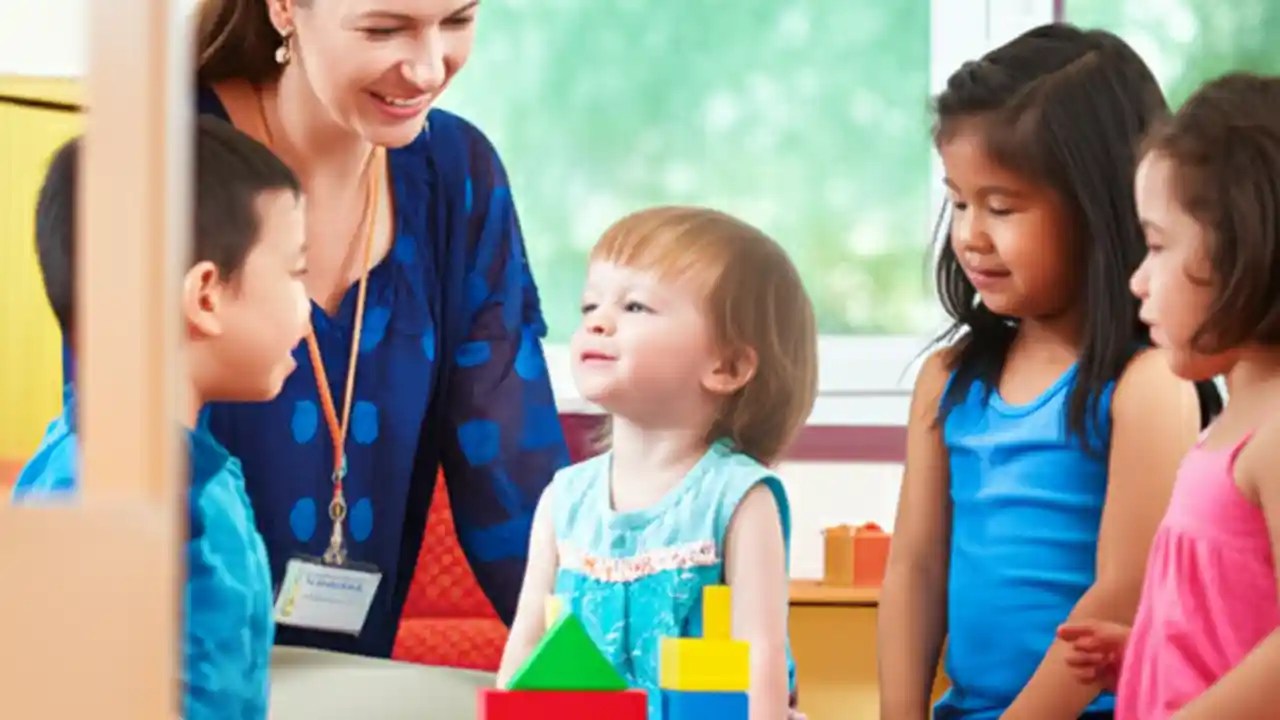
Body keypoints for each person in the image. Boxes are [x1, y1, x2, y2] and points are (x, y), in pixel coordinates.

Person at [186, 0, 570, 657]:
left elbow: (520, 499)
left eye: (457, 20)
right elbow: (120, 479)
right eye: (383, 29)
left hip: (358, 689)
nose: (426, 68)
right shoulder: (160, 164)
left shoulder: (458, 178)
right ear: (283, 8)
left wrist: (645, 670)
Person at [876, 23, 1223, 720]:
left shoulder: (1148, 385)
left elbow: (1121, 591)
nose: (971, 234)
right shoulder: (947, 381)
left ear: (1100, 206)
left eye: (1002, 207)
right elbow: (915, 569)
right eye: (960, 201)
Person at [13, 116, 310, 719]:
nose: (307, 308)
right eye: (295, 272)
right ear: (206, 297)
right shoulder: (132, 492)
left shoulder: (91, 455)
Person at [495, 206, 817, 720]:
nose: (597, 321)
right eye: (590, 305)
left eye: (636, 307)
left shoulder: (738, 498)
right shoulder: (565, 498)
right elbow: (528, 640)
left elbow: (762, 653)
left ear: (727, 365)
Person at [1058, 72, 1280, 720]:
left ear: (1246, 253)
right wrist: (1152, 652)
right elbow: (1241, 619)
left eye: (1157, 246)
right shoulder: (1229, 427)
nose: (1136, 279)